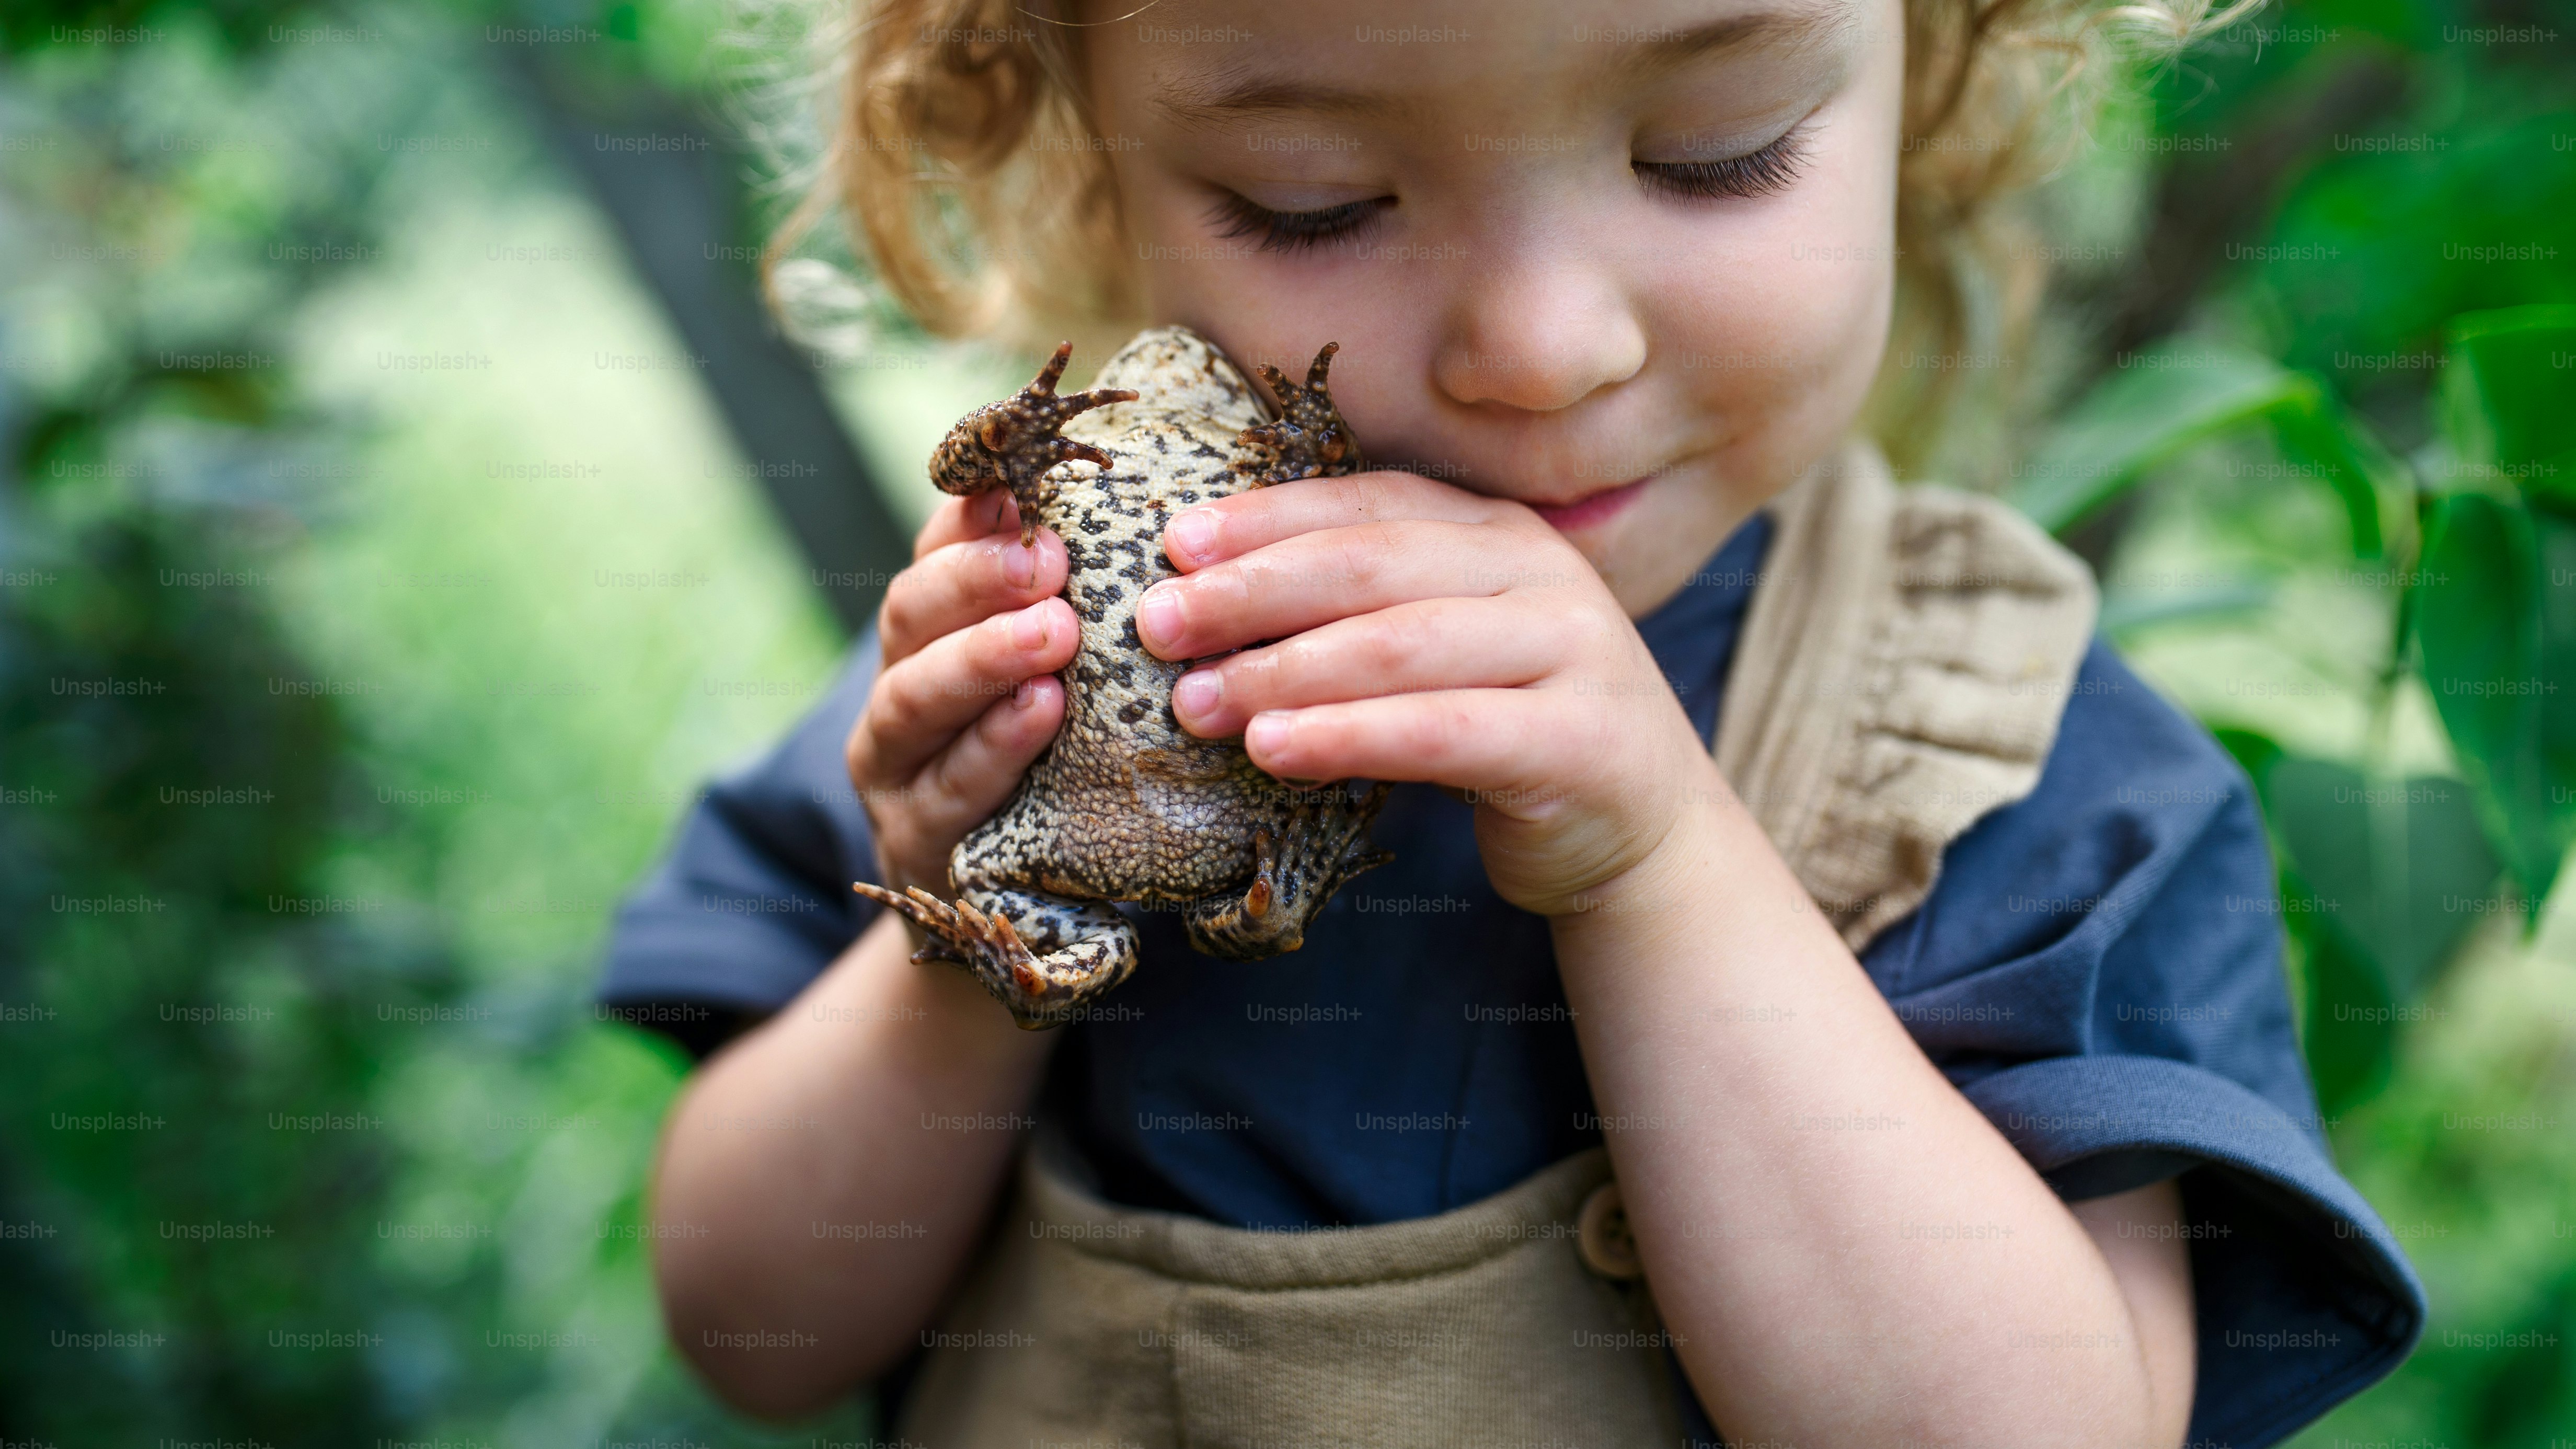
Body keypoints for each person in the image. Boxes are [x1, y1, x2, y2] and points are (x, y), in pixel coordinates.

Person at [599, 1, 2426, 1444]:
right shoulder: (1051, 656)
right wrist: (981, 939)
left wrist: (1655, 861)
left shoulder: (2013, 767)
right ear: (1097, 160)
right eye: (1312, 198)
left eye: (1717, 155)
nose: (1542, 347)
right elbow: (753, 1326)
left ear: (1932, 68)